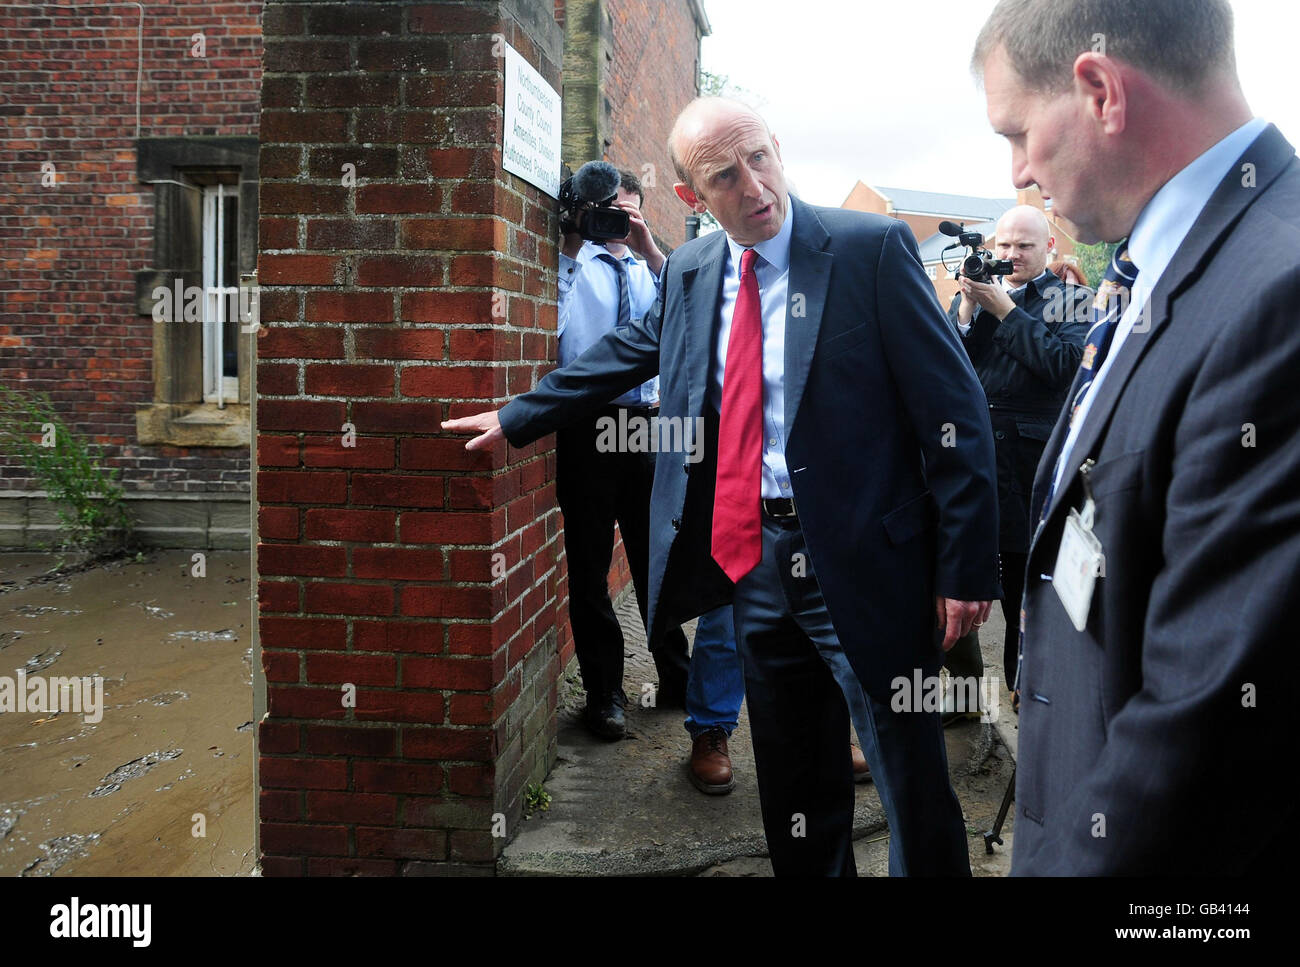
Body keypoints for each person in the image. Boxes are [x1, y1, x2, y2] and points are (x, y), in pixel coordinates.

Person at [444, 97, 1001, 876]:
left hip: (871, 562)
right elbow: (626, 353)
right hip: (756, 562)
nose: (755, 184)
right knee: (796, 778)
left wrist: (967, 566)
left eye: (761, 158)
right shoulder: (697, 270)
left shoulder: (867, 248)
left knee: (910, 778)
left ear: (777, 146)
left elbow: (956, 410)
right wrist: (519, 415)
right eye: (725, 175)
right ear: (690, 197)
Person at [973, 0, 1300, 874]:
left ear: (1100, 90)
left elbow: (1211, 717)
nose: (1016, 174)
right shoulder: (1157, 261)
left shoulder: (1279, 288)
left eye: (1017, 132)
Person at [554, 168, 744, 798]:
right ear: (581, 211)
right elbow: (555, 323)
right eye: (610, 211)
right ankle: (605, 692)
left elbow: (688, 308)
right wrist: (573, 244)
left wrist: (648, 247)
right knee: (588, 563)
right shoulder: (569, 265)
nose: (622, 220)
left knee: (657, 555)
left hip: (651, 424)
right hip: (586, 424)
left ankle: (675, 674)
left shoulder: (647, 264)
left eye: (631, 210)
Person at [942, 206, 1090, 703]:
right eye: (1003, 246)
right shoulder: (976, 295)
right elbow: (945, 368)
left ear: (1048, 248)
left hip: (1028, 472)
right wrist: (966, 309)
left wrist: (1005, 308)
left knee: (1025, 600)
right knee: (955, 578)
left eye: (1024, 246)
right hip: (971, 465)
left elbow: (1064, 368)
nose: (1010, 255)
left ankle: (1026, 697)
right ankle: (964, 698)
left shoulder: (1073, 300)